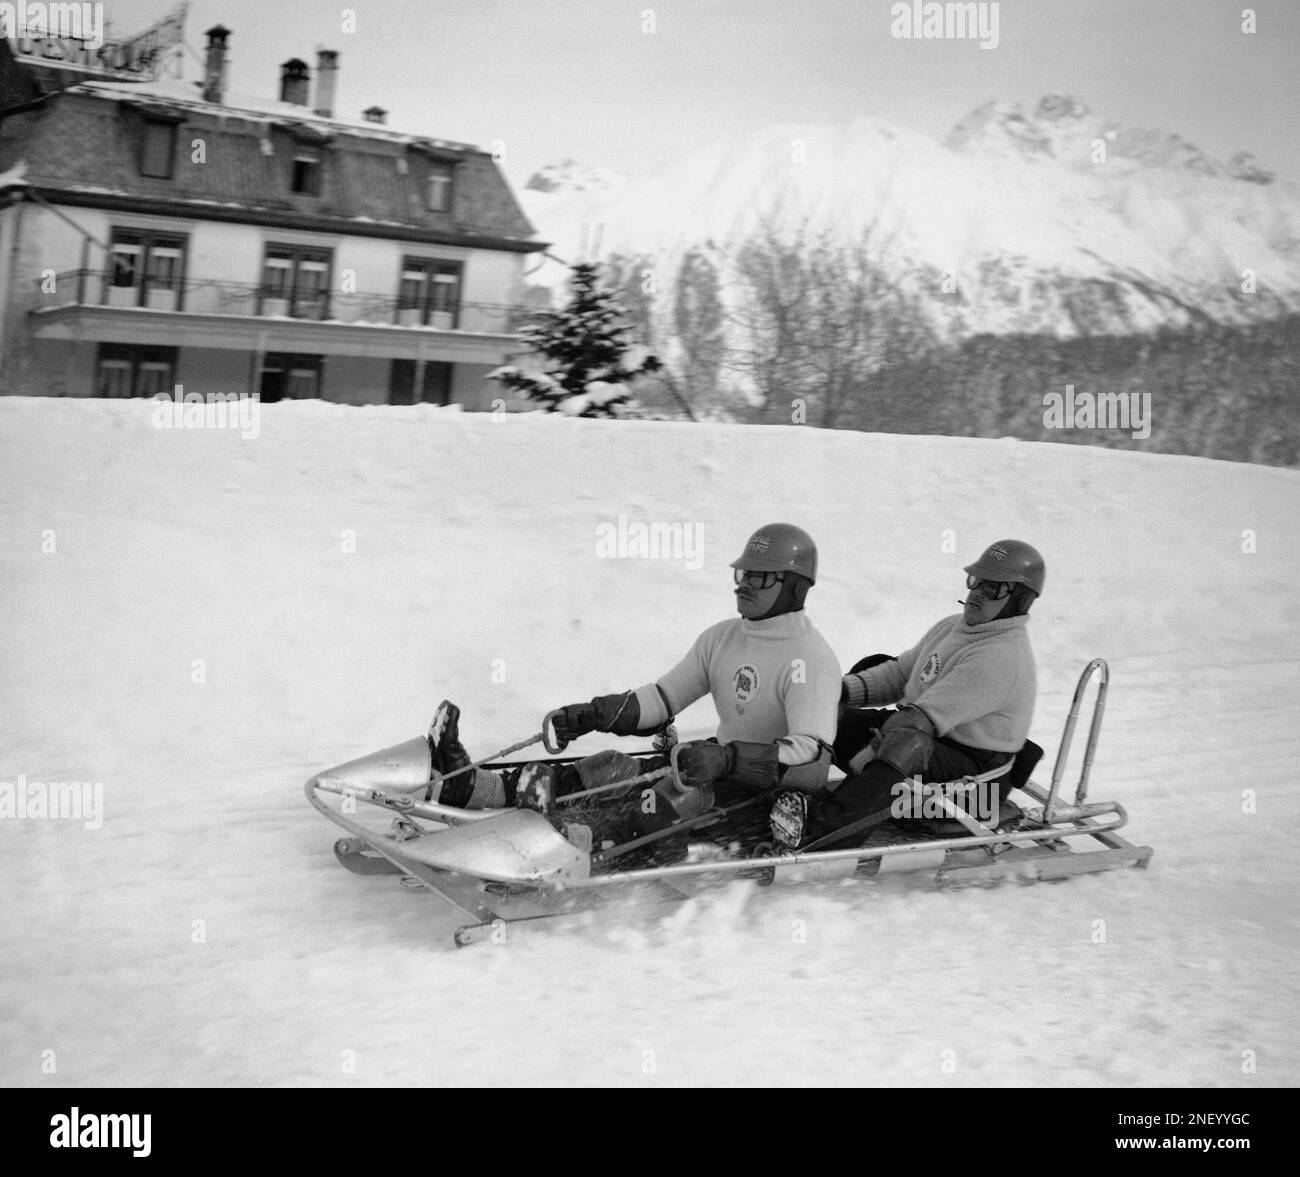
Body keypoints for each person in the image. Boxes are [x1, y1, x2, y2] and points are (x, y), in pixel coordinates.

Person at [426, 523, 842, 849]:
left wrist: (728, 760)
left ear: (793, 585)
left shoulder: (811, 659)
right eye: (742, 572)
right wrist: (597, 714)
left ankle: (563, 843)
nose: (743, 582)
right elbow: (663, 698)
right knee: (608, 767)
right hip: (711, 772)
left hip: (765, 800)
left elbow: (811, 761)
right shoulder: (722, 638)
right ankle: (474, 788)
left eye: (760, 576)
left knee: (659, 806)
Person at [769, 539, 1044, 851]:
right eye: (977, 581)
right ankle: (765, 788)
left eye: (994, 588)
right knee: (826, 712)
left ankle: (823, 832)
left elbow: (920, 720)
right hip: (929, 751)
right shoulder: (954, 626)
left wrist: (871, 752)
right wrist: (833, 694)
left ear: (1020, 599)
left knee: (905, 741)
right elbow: (900, 674)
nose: (978, 591)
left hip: (974, 790)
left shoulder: (1002, 656)